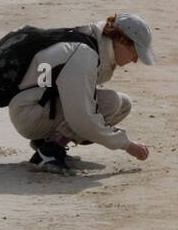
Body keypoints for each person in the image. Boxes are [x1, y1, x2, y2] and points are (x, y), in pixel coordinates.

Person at [9, 14, 155, 172]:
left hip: (37, 105)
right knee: (110, 103)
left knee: (123, 104)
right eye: (135, 52)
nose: (135, 60)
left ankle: (47, 142)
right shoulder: (83, 55)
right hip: (29, 113)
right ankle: (48, 152)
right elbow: (82, 119)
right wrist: (126, 144)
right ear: (120, 40)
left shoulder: (90, 42)